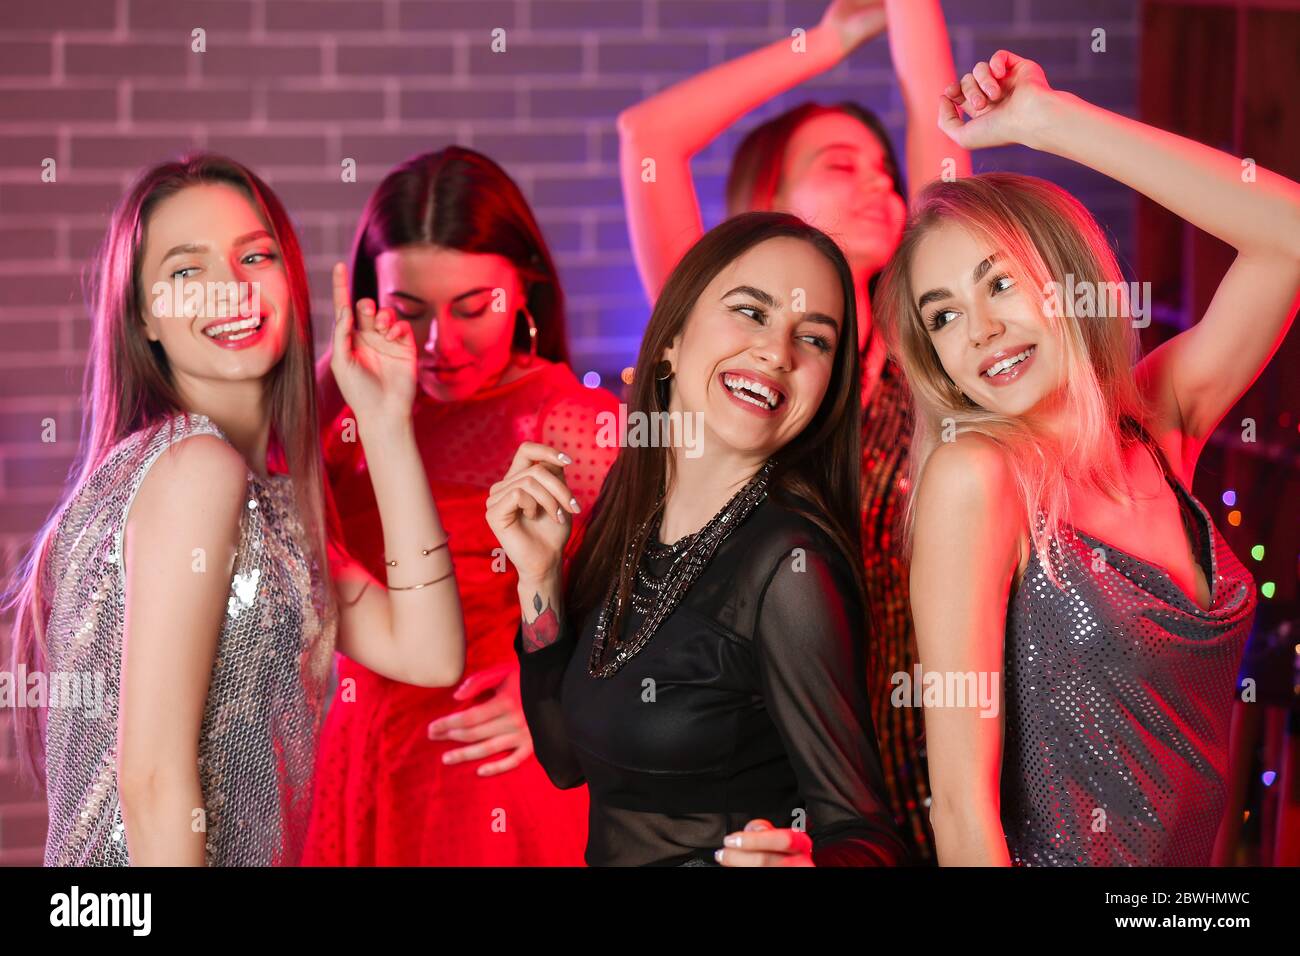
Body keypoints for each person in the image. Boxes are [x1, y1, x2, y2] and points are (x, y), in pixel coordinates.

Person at [877, 51, 1300, 865]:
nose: (980, 331)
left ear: (1065, 279)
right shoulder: (977, 478)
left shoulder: (1160, 422)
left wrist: (1048, 120)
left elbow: (1287, 234)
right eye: (943, 316)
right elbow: (963, 813)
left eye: (998, 284)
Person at [4, 154, 466, 866]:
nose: (229, 288)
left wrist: (384, 422)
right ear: (146, 318)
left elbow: (428, 653)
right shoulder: (195, 470)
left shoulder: (265, 502)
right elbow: (153, 781)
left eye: (254, 255)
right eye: (187, 271)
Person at [617, 0, 969, 859]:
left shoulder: (929, 347)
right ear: (771, 195)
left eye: (884, 168)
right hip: (759, 749)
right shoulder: (718, 336)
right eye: (839, 164)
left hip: (927, 747)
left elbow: (939, 112)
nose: (878, 182)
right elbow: (649, 138)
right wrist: (836, 38)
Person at [488, 212, 908, 867]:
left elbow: (868, 837)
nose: (777, 351)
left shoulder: (788, 566)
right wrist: (539, 581)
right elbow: (567, 759)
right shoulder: (627, 526)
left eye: (816, 339)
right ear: (671, 342)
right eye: (751, 312)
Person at [304, 147, 618, 866]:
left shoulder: (570, 419)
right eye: (407, 309)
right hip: (364, 760)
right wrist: (331, 372)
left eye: (473, 306)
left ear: (525, 285)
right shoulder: (350, 407)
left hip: (492, 781)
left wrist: (558, 683)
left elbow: (679, 592)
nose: (441, 343)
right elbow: (261, 488)